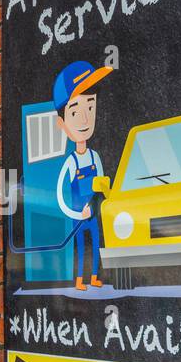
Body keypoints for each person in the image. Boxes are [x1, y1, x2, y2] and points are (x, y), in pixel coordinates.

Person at [52, 61, 114, 290]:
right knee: (80, 246)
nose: (85, 119)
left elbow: (103, 185)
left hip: (94, 211)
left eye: (90, 107)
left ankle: (95, 277)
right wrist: (76, 212)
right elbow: (59, 194)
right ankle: (79, 280)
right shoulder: (70, 162)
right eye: (76, 111)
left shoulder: (95, 156)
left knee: (97, 243)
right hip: (78, 214)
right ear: (62, 123)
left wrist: (96, 205)